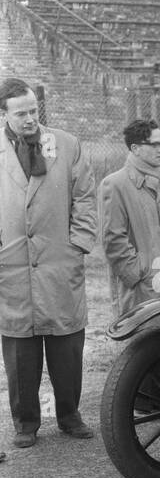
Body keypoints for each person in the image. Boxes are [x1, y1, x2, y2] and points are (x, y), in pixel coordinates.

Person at [0, 77, 96, 447]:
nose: (29, 119)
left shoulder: (67, 144)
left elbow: (85, 197)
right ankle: (26, 424)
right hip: (12, 267)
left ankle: (70, 416)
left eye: (33, 111)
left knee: (67, 344)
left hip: (60, 261)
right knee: (20, 350)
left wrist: (79, 244)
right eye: (20, 113)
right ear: (4, 114)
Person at [98, 119, 160, 317]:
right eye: (154, 144)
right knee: (144, 343)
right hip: (142, 288)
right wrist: (140, 273)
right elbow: (113, 241)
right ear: (135, 148)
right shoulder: (114, 185)